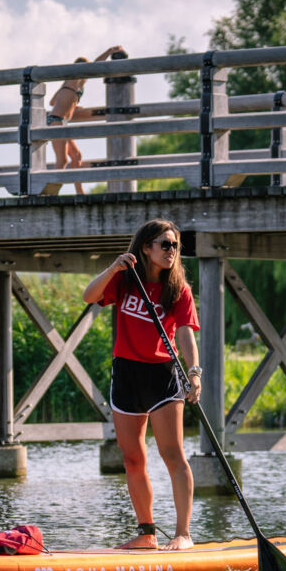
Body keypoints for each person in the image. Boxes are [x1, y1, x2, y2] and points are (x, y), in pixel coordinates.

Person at [83, 219, 200, 550]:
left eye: (175, 245)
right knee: (133, 459)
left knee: (172, 454)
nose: (171, 251)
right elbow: (88, 295)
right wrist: (111, 269)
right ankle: (147, 533)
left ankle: (183, 534)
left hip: (163, 375)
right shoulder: (124, 281)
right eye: (165, 244)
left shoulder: (178, 290)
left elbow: (185, 333)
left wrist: (194, 372)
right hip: (127, 376)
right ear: (146, 247)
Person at [48, 45, 124, 195]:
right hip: (56, 121)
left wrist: (72, 104)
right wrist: (109, 52)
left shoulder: (78, 84)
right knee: (62, 161)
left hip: (62, 123)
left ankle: (79, 191)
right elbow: (95, 66)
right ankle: (50, 193)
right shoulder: (71, 79)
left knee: (76, 156)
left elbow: (52, 102)